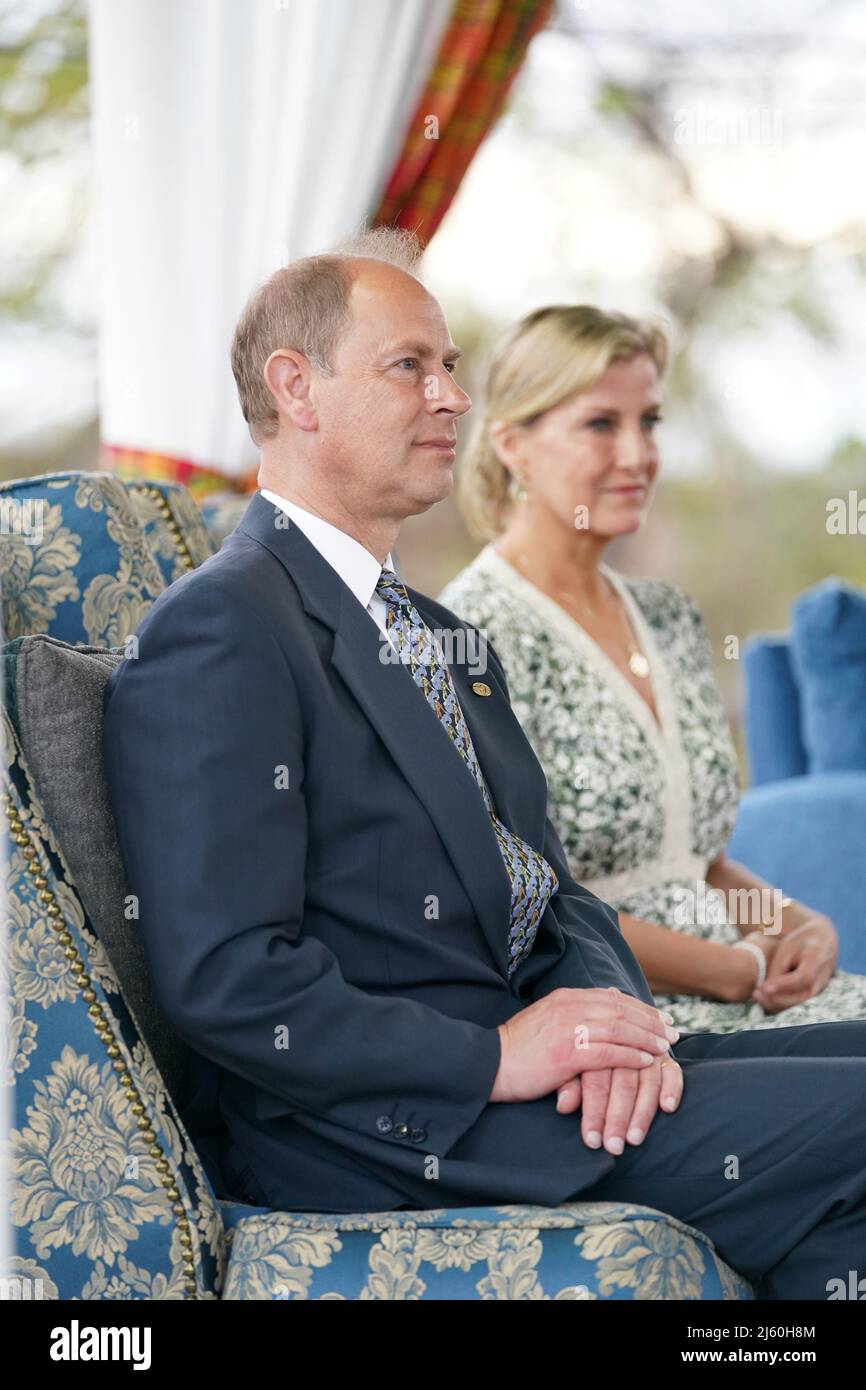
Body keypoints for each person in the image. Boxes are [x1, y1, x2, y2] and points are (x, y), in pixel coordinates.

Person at [103, 230, 866, 1300]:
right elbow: (228, 978)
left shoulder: (429, 627)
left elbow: (551, 890)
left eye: (450, 364)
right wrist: (497, 1059)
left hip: (551, 1083)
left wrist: (611, 1027)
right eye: (409, 365)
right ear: (297, 389)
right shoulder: (222, 628)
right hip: (395, 1132)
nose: (450, 397)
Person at [440, 304, 866, 1036]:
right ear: (512, 443)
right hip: (619, 1015)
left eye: (651, 422)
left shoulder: (665, 615)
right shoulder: (470, 634)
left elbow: (698, 861)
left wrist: (800, 923)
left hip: (747, 984)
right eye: (602, 424)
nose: (638, 456)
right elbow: (519, 904)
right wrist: (735, 969)